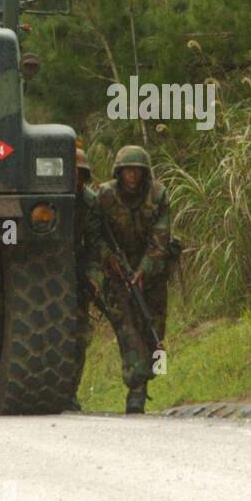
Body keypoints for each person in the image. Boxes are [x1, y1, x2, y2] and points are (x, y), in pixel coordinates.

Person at [89, 145, 175, 414]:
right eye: (127, 170)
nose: (132, 176)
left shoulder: (158, 195)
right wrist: (109, 259)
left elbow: (161, 240)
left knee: (153, 329)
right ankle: (135, 391)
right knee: (128, 331)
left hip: (152, 272)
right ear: (119, 171)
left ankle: (148, 379)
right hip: (117, 273)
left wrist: (144, 269)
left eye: (137, 171)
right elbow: (93, 236)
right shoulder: (104, 196)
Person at [71, 147, 101, 410]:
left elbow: (94, 246)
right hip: (45, 275)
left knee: (78, 336)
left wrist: (91, 277)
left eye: (80, 174)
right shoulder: (45, 198)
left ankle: (70, 392)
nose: (75, 178)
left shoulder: (90, 203)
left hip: (77, 275)